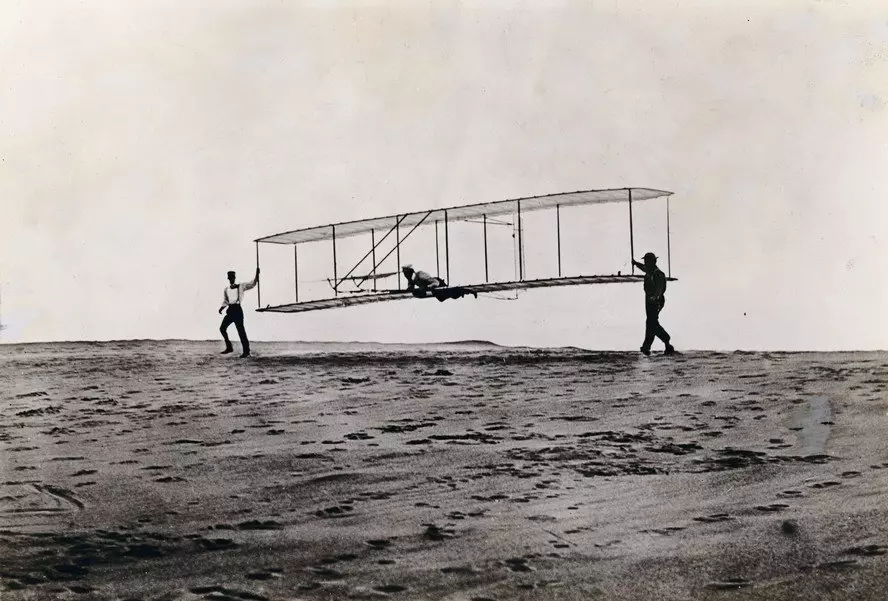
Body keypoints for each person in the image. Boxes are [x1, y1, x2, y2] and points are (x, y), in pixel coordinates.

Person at [632, 252, 675, 356]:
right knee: (651, 323)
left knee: (652, 323)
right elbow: (643, 268)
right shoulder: (649, 270)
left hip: (656, 301)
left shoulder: (658, 273)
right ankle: (648, 346)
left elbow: (660, 289)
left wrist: (655, 297)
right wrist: (635, 263)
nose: (645, 263)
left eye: (647, 261)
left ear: (653, 262)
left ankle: (664, 340)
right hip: (649, 300)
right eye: (645, 261)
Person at [219, 268, 259, 357]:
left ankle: (246, 352)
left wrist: (256, 275)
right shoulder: (226, 289)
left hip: (237, 310)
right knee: (222, 328)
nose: (231, 279)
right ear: (228, 278)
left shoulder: (241, 286)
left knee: (241, 331)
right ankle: (229, 347)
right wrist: (221, 308)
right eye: (230, 277)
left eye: (232, 277)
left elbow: (252, 284)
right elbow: (226, 300)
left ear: (235, 277)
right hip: (230, 310)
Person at [401, 265, 477, 302]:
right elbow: (411, 287)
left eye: (407, 275)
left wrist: (428, 286)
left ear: (412, 273)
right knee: (442, 298)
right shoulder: (410, 279)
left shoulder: (420, 275)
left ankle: (468, 291)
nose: (406, 277)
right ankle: (461, 292)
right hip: (432, 288)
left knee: (451, 293)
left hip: (438, 283)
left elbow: (435, 282)